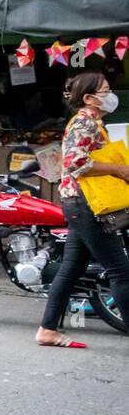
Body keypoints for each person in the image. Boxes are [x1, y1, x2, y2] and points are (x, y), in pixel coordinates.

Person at [35, 71, 129, 348]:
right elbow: (76, 163)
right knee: (121, 271)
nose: (110, 95)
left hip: (79, 203)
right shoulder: (84, 123)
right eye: (106, 90)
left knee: (71, 267)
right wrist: (118, 169)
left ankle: (47, 330)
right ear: (89, 98)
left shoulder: (95, 123)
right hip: (86, 204)